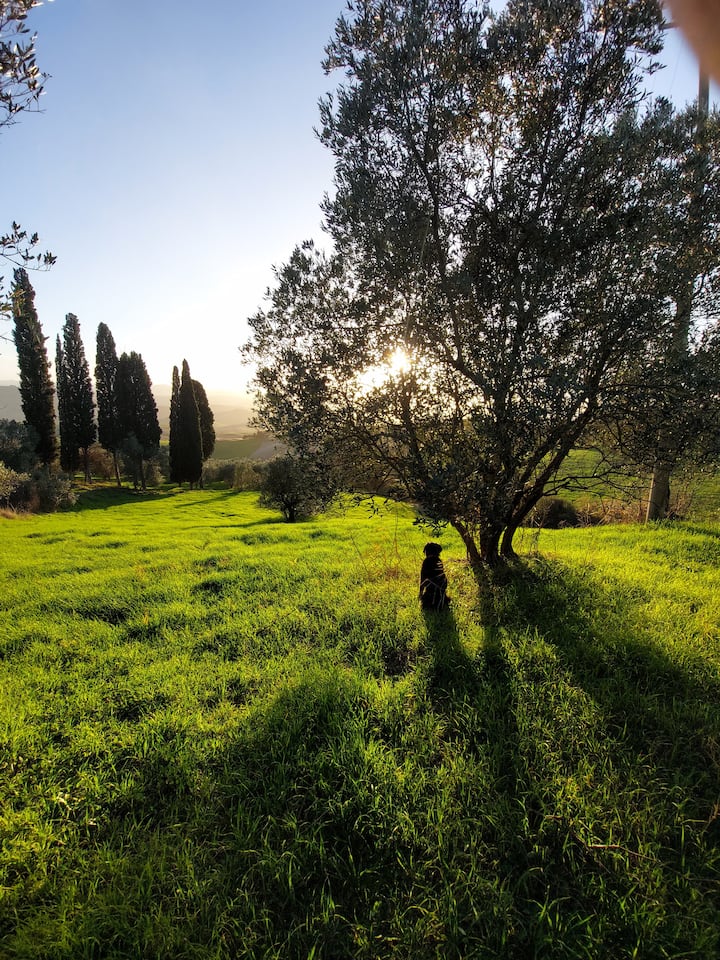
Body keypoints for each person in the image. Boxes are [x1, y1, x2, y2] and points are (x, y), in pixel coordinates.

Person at [419, 542, 451, 611]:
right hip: (440, 589)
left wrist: (420, 593)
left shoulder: (426, 562)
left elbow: (423, 579)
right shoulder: (439, 561)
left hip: (430, 590)